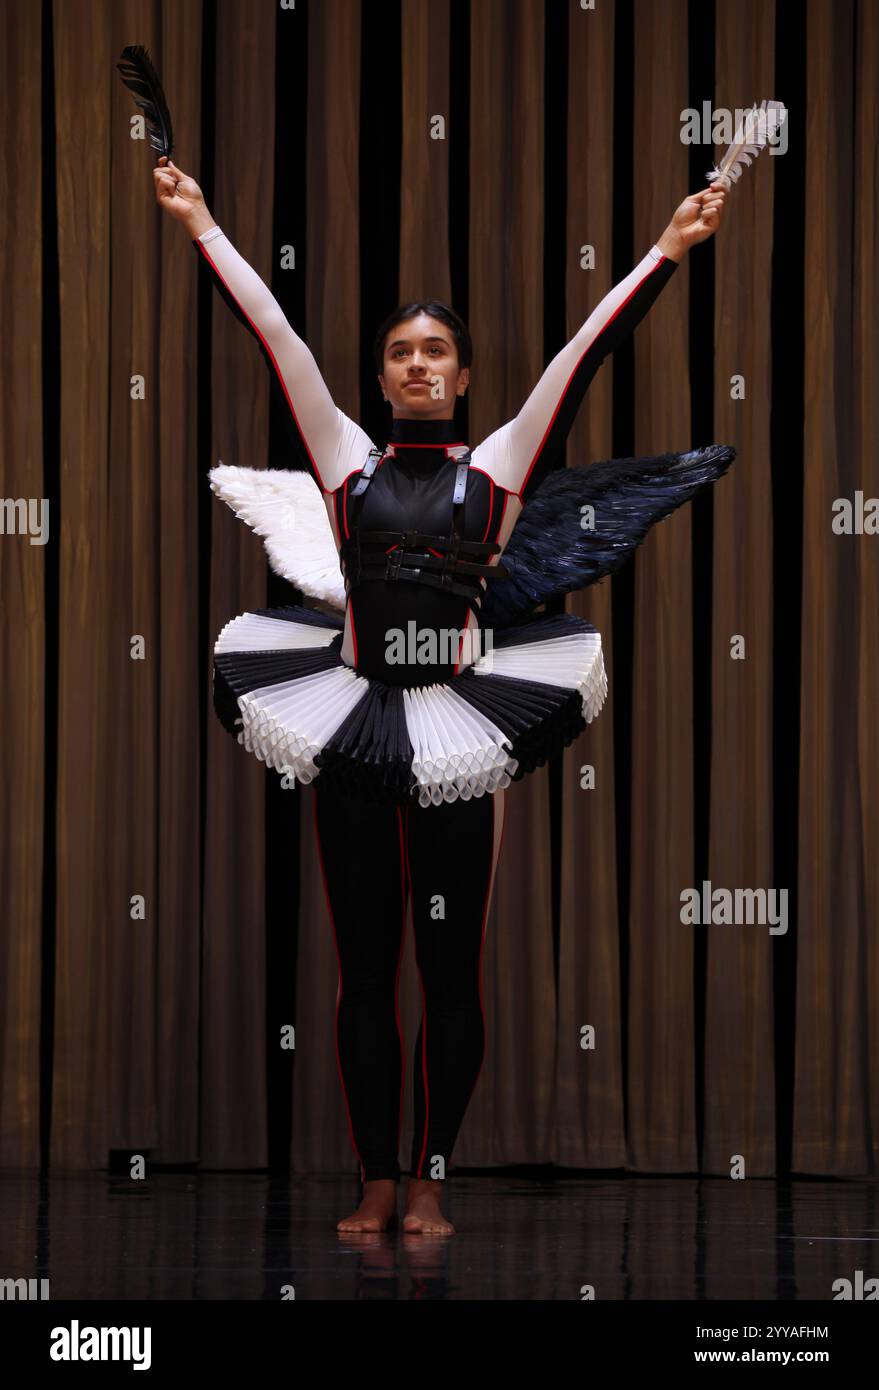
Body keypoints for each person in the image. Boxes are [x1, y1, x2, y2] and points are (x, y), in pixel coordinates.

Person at [154, 154, 727, 1234]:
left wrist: (666, 250)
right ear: (379, 380)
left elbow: (583, 355)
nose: (419, 365)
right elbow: (276, 337)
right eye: (401, 353)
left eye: (438, 352)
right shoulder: (348, 468)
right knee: (365, 965)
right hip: (355, 717)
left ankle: (434, 1176)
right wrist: (202, 225)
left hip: (461, 724)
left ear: (462, 377)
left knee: (450, 966)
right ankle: (377, 1176)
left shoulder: (498, 467)